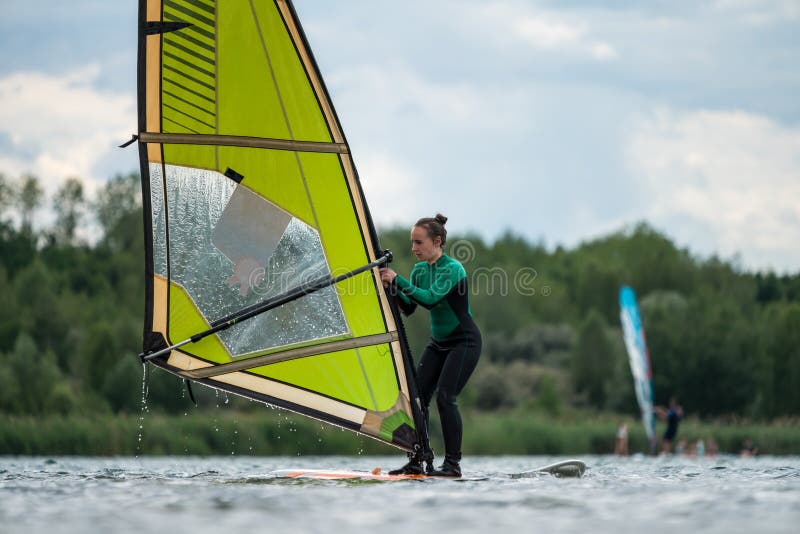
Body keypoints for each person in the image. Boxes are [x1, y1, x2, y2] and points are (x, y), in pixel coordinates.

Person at [379, 214, 481, 478]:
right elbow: (410, 307)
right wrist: (392, 289)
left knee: (446, 398)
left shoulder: (453, 268)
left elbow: (431, 299)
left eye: (418, 242)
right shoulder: (420, 270)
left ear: (437, 242)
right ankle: (417, 459)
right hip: (438, 344)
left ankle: (452, 465)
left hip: (464, 342)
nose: (413, 248)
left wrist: (397, 279)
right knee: (417, 399)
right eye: (412, 243)